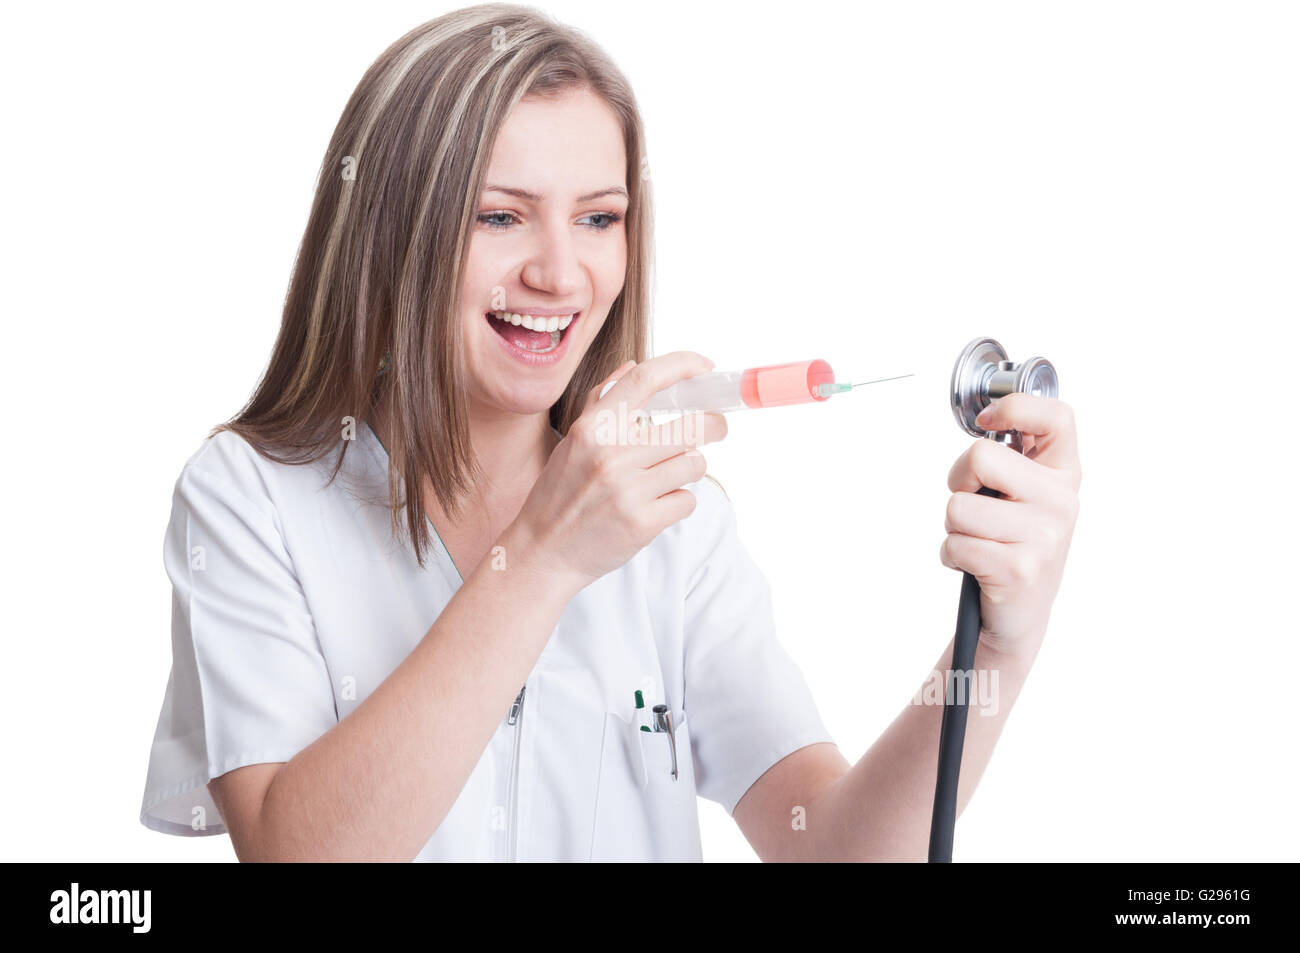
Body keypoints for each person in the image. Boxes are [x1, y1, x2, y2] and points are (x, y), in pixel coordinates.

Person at [139, 3, 1082, 862]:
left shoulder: (678, 522)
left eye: (599, 218)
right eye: (499, 215)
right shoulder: (250, 498)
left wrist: (994, 652)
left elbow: (834, 847)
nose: (561, 273)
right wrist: (545, 558)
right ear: (393, 233)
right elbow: (297, 856)